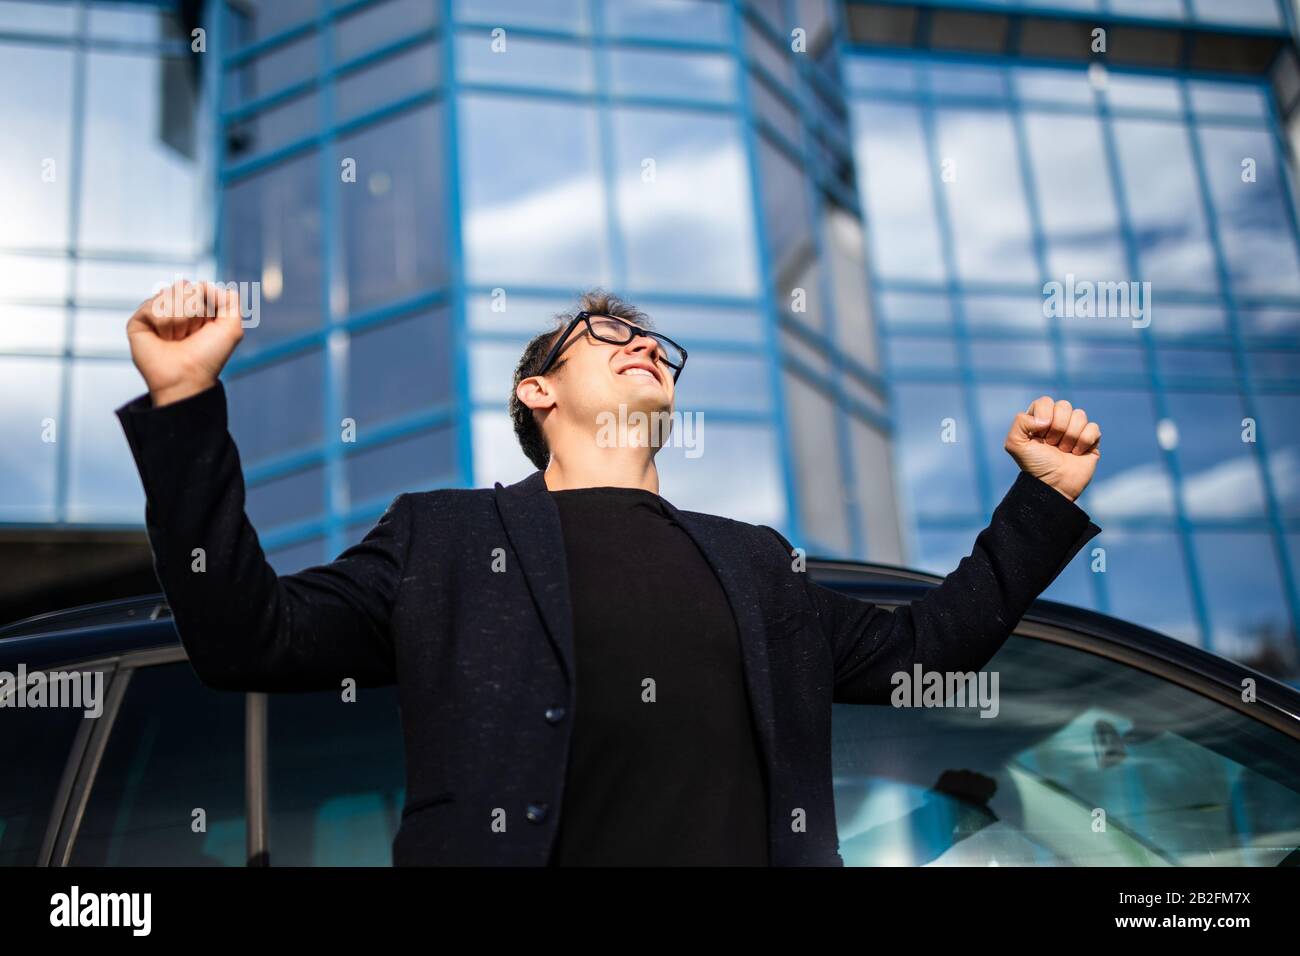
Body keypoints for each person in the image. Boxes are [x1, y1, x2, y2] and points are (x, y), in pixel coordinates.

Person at [117, 281, 1102, 866]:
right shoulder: (445, 540)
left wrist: (1040, 500)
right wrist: (185, 402)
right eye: (608, 331)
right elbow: (251, 635)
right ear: (534, 389)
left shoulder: (755, 561)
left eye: (653, 340)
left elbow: (929, 648)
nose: (641, 342)